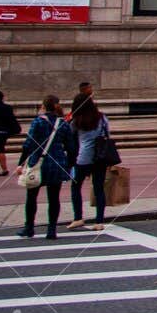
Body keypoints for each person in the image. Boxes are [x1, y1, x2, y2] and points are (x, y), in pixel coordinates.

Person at [17, 95, 74, 239]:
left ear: (43, 106)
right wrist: (69, 164)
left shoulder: (38, 122)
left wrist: (21, 163)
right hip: (57, 163)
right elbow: (71, 147)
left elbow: (28, 144)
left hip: (37, 163)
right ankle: (52, 229)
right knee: (54, 198)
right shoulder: (63, 123)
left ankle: (29, 227)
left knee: (31, 196)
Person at [67, 86, 111, 231]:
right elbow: (108, 133)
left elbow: (70, 139)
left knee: (76, 186)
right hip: (100, 157)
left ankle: (78, 217)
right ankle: (99, 221)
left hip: (83, 157)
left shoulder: (76, 120)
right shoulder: (101, 117)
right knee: (99, 188)